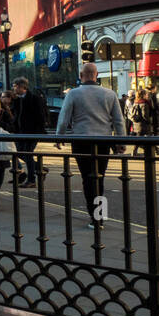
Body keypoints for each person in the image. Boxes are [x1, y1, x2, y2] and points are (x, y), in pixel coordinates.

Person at [54, 63, 125, 229]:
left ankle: (94, 218)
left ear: (81, 75)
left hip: (81, 141)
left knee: (88, 178)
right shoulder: (110, 93)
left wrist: (59, 137)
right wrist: (121, 141)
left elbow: (64, 118)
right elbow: (118, 120)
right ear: (97, 74)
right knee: (100, 177)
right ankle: (101, 216)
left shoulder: (73, 93)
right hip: (103, 141)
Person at [9, 77, 46, 186]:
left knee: (28, 154)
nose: (13, 88)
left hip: (31, 132)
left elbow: (41, 116)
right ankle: (40, 169)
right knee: (19, 152)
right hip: (20, 133)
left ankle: (31, 180)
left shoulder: (34, 99)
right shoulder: (17, 100)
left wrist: (39, 131)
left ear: (22, 87)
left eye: (15, 86)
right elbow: (16, 116)